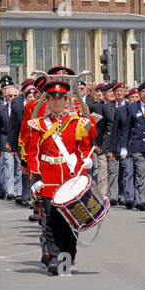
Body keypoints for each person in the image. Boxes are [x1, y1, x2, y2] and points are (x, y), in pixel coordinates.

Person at [26, 79, 94, 275]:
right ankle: (55, 258)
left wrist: (85, 164)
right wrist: (36, 177)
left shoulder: (76, 123)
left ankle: (68, 256)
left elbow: (83, 148)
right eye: (53, 99)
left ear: (66, 101)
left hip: (70, 178)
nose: (57, 103)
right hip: (48, 177)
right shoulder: (39, 124)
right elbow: (33, 153)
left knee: (71, 222)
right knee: (51, 220)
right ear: (47, 101)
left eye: (60, 99)